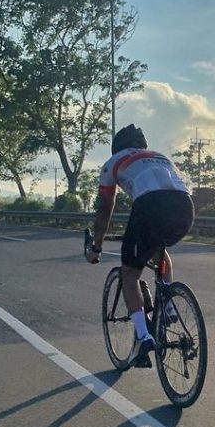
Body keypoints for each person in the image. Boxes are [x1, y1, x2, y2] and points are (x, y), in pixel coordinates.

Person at [85, 124, 193, 368]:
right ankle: (168, 306)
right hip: (184, 207)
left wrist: (97, 247)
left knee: (130, 273)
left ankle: (144, 338)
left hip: (150, 205)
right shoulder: (159, 156)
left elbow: (105, 209)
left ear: (116, 147)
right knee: (158, 248)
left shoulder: (113, 162)